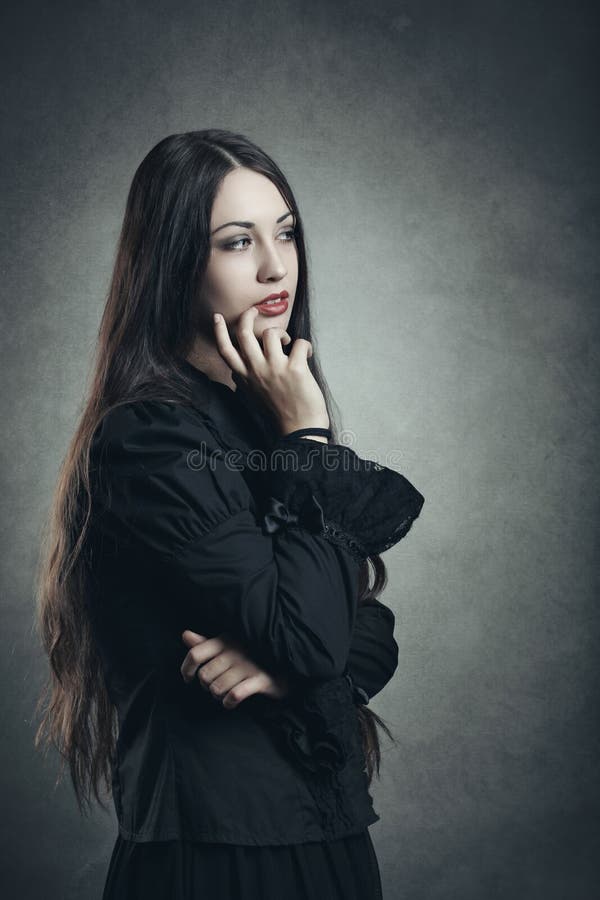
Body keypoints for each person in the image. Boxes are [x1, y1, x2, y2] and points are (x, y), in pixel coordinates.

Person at [34, 129, 425, 900]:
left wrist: (284, 671)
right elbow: (319, 635)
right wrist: (308, 437)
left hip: (325, 835)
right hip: (219, 854)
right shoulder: (150, 437)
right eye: (237, 242)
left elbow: (367, 630)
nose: (276, 266)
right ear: (176, 262)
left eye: (285, 233)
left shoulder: (262, 420)